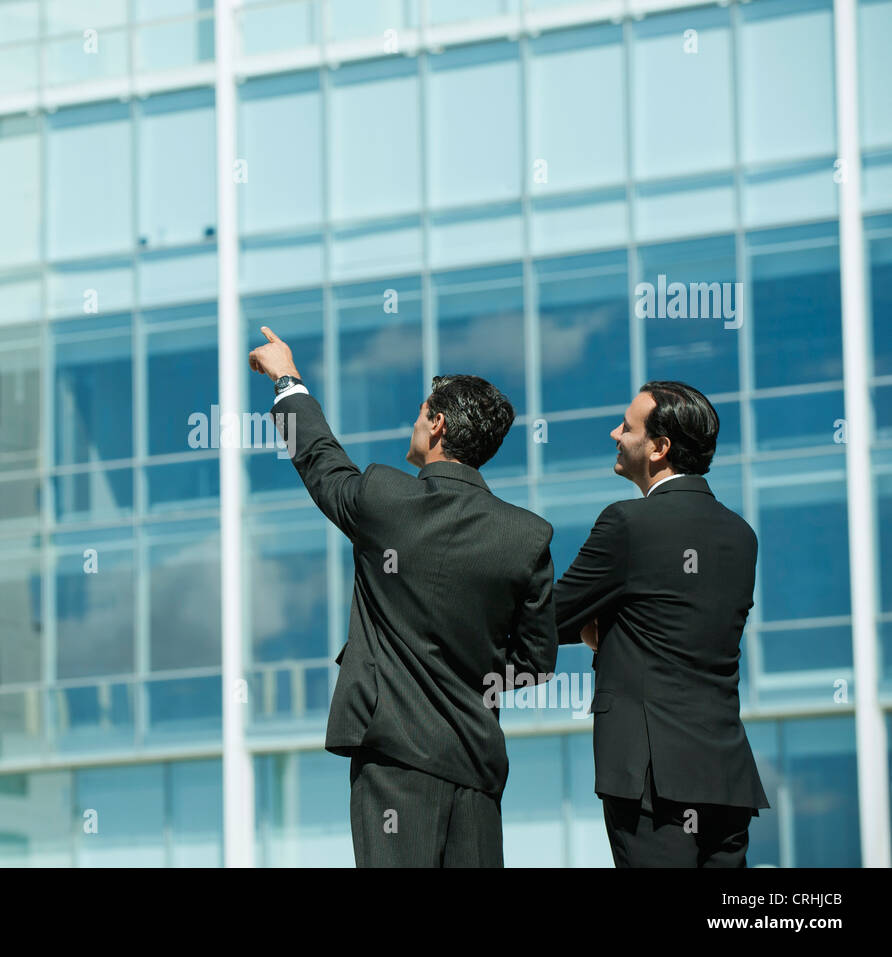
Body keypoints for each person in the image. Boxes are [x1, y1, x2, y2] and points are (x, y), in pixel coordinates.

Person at [248, 326, 557, 867]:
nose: (414, 423)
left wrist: (286, 379)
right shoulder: (527, 536)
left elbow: (319, 458)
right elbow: (535, 663)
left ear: (437, 425)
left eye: (420, 413)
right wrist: (476, 667)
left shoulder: (384, 498)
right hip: (477, 766)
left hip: (394, 757)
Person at [554, 381, 769, 867]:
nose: (615, 433)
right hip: (725, 777)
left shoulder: (628, 523)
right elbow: (677, 618)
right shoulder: (742, 535)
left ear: (659, 448)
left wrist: (595, 629)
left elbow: (548, 616)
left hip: (652, 780)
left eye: (627, 427)